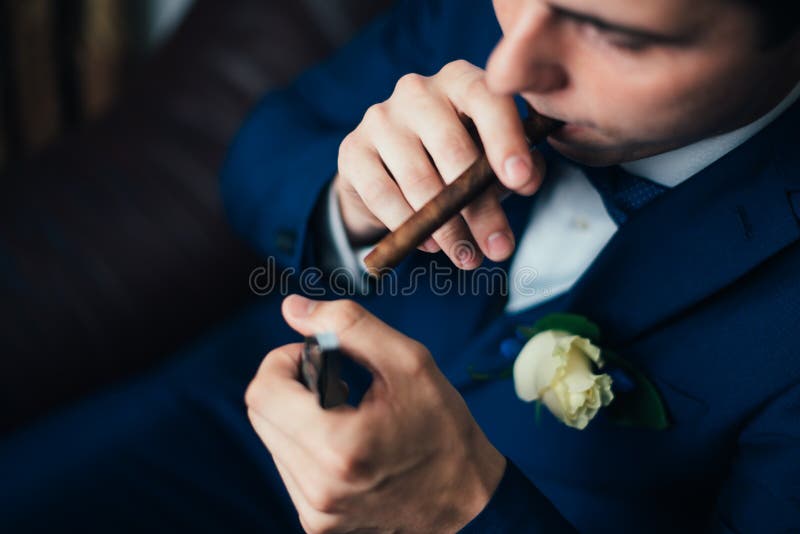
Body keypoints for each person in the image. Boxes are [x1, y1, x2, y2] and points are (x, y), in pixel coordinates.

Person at [2, 0, 799, 531]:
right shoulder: (494, 21)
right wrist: (350, 199)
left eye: (618, 35)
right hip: (225, 429)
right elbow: (261, 151)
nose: (513, 64)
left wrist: (463, 507)